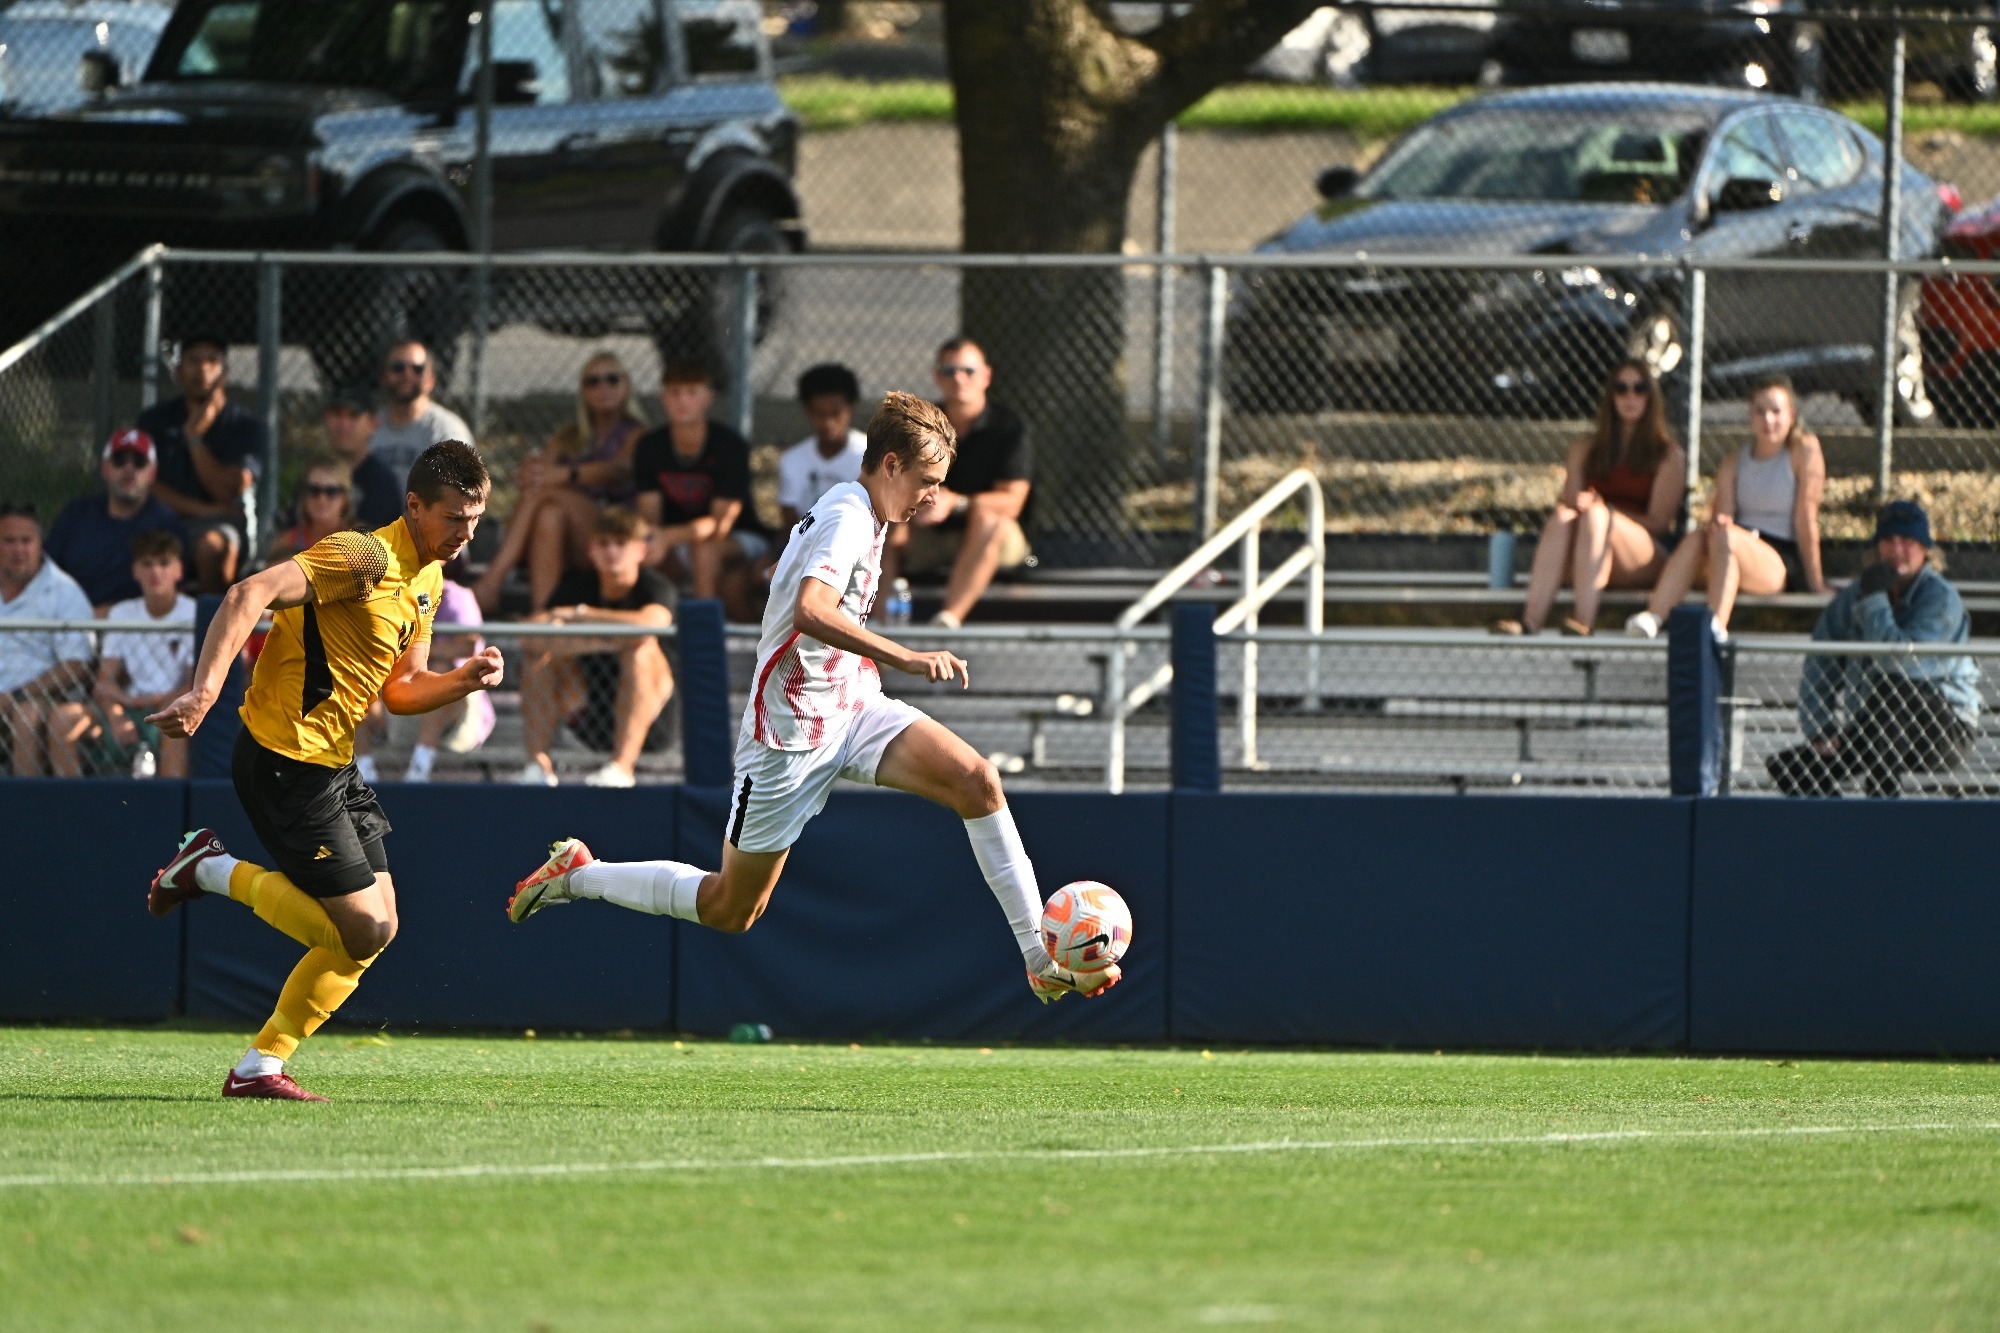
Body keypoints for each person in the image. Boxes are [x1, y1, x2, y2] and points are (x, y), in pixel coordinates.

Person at [505, 394, 1116, 1007]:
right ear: (892, 465)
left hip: (852, 707)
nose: (934, 496)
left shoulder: (873, 514)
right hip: (789, 737)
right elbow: (811, 610)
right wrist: (906, 657)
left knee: (977, 781)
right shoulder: (848, 515)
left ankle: (1038, 959)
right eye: (928, 481)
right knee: (730, 908)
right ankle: (580, 876)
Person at [143, 442, 504, 1102]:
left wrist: (461, 683)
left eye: (476, 520)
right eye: (455, 518)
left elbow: (401, 690)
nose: (466, 534)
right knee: (361, 929)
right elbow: (248, 592)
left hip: (331, 763)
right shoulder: (363, 556)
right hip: (282, 761)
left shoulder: (428, 578)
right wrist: (204, 692)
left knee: (378, 927)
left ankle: (259, 1066)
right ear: (415, 506)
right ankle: (209, 868)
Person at [1765, 501, 1980, 798]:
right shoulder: (1857, 593)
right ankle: (1848, 837)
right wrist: (1821, 727)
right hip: (1876, 728)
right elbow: (1821, 660)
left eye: (1907, 541)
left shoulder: (1940, 598)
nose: (1897, 550)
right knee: (1789, 767)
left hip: (1944, 731)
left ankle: (1882, 815)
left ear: (1925, 549)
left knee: (1890, 691)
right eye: (1889, 541)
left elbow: (1900, 664)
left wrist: (1875, 600)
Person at [1492, 360, 1686, 636]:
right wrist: (1587, 506)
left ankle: (1583, 620)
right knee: (1562, 517)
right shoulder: (1585, 449)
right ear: (1610, 397)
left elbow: (1658, 522)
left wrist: (1606, 511)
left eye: (1639, 389)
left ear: (1651, 397)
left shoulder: (1668, 455)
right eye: (1621, 389)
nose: (1630, 397)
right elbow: (1570, 505)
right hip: (1588, 549)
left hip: (1643, 554)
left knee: (1595, 516)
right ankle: (1530, 620)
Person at [1627, 374, 1827, 640]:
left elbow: (1806, 517)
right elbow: (1722, 519)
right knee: (1700, 536)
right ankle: (1652, 617)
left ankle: (1715, 626)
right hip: (1732, 546)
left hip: (1777, 560)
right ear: (1750, 416)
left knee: (1727, 537)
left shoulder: (1803, 450)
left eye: (1776, 411)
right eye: (1760, 412)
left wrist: (1816, 584)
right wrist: (1720, 526)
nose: (1768, 420)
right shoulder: (1733, 463)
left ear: (1791, 415)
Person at [475, 351, 648, 615]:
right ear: (583, 392)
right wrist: (531, 472)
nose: (603, 387)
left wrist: (565, 475)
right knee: (549, 514)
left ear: (626, 387)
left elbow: (619, 469)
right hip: (571, 538)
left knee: (547, 490)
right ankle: (543, 619)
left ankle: (492, 581)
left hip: (615, 530)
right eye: (593, 381)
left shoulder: (637, 433)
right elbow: (538, 477)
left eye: (612, 379)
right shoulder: (568, 437)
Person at [516, 506, 675, 789]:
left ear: (640, 550)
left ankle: (622, 768)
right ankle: (537, 767)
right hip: (589, 717)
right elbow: (530, 634)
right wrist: (606, 641)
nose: (612, 551)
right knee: (538, 655)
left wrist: (582, 615)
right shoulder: (577, 586)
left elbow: (651, 624)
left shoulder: (656, 587)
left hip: (653, 724)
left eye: (621, 543)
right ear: (591, 550)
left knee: (641, 649)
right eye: (603, 543)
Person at [882, 338, 1032, 627]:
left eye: (968, 370)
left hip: (998, 541)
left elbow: (1012, 502)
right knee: (889, 522)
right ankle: (881, 628)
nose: (959, 378)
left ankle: (949, 620)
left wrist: (956, 503)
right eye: (949, 370)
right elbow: (898, 484)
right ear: (937, 376)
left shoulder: (1009, 427)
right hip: (931, 539)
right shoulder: (921, 425)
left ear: (986, 376)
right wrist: (919, 504)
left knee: (991, 518)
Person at [48, 531, 196, 779]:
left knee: (176, 729)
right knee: (63, 720)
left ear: (178, 570)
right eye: (147, 564)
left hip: (171, 709)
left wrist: (152, 703)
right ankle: (72, 807)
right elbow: (104, 681)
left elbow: (192, 686)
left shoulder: (195, 614)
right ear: (135, 570)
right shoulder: (122, 613)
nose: (155, 572)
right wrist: (116, 717)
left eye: (163, 563)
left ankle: (171, 813)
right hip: (125, 707)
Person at [136, 334, 265, 594]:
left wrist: (194, 438)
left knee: (212, 545)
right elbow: (144, 484)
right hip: (161, 520)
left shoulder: (246, 426)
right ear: (178, 371)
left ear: (225, 372)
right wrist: (207, 511)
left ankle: (215, 629)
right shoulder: (154, 420)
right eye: (194, 360)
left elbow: (228, 489)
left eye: (212, 360)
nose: (203, 369)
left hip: (221, 526)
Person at [630, 361, 770, 600]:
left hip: (739, 536)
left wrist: (667, 537)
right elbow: (650, 518)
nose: (683, 401)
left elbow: (720, 524)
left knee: (704, 552)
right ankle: (658, 625)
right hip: (674, 538)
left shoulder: (729, 446)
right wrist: (657, 540)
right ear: (663, 398)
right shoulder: (649, 447)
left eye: (692, 392)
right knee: (640, 549)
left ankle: (705, 630)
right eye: (675, 393)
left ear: (708, 397)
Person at [44, 429, 187, 610]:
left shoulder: (167, 524)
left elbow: (174, 595)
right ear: (105, 468)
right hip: (67, 623)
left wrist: (112, 615)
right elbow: (46, 573)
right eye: (120, 460)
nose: (129, 469)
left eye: (139, 462)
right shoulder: (75, 514)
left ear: (152, 473)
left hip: (136, 630)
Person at [0, 502, 94, 775]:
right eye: (9, 541)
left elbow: (76, 666)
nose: (19, 550)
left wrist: (14, 696)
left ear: (39, 543)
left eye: (26, 541)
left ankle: (24, 811)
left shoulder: (65, 592)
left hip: (39, 698)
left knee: (27, 717)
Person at [404, 557, 496, 783]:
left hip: (463, 714)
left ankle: (420, 763)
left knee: (440, 670)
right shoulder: (398, 598)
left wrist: (419, 650)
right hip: (407, 707)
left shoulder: (458, 596)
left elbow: (466, 644)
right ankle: (363, 767)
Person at [777, 362, 867, 529]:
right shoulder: (792, 459)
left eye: (836, 413)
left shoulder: (871, 454)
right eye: (819, 414)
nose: (828, 422)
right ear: (807, 411)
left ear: (851, 409)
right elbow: (791, 526)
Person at [367, 340, 473, 483]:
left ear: (431, 381)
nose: (407, 374)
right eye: (398, 368)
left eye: (418, 369)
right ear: (383, 378)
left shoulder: (446, 432)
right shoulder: (367, 428)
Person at [321, 387, 403, 528]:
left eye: (353, 416)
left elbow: (368, 539)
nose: (343, 424)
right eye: (337, 414)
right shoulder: (316, 476)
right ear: (326, 419)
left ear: (373, 424)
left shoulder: (382, 481)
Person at [268, 455, 357, 563]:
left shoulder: (360, 542)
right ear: (304, 497)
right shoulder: (285, 542)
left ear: (345, 498)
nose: (321, 499)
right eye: (314, 490)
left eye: (331, 491)